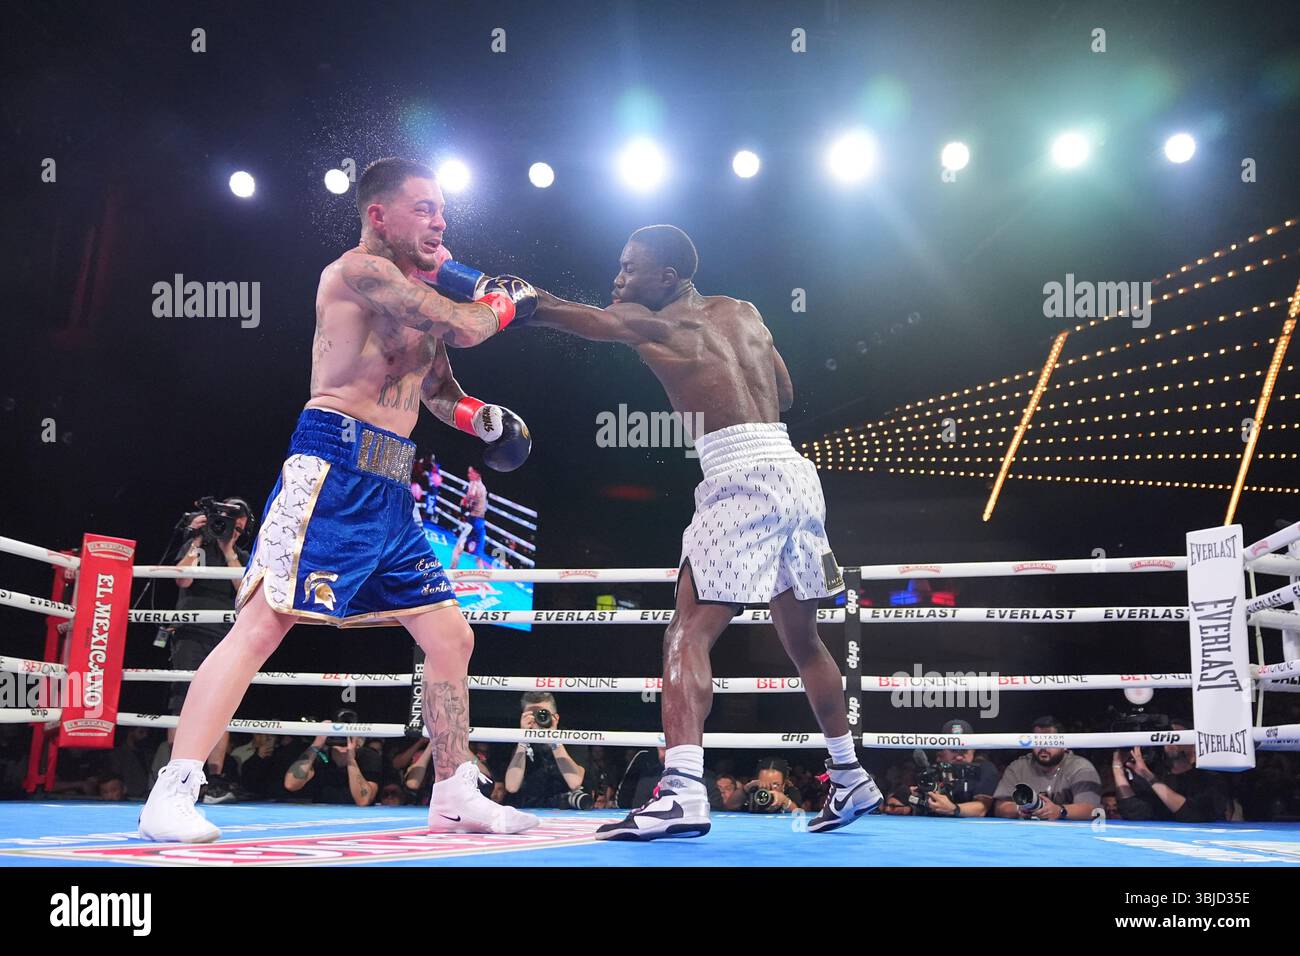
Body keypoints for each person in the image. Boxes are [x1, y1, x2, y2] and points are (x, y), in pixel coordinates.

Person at [138, 156, 538, 842]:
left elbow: (439, 387)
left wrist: (481, 419)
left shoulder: (415, 293)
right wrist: (502, 300)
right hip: (331, 468)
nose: (439, 220)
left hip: (391, 487)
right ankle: (172, 792)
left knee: (450, 634)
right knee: (263, 625)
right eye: (423, 208)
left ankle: (453, 789)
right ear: (378, 214)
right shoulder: (362, 272)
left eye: (443, 209)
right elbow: (466, 323)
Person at [501, 224, 882, 839]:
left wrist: (518, 299)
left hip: (738, 475)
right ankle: (850, 775)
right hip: (795, 473)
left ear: (668, 278)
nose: (619, 278)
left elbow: (576, 319)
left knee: (688, 632)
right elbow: (783, 391)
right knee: (802, 639)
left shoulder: (653, 321)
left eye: (630, 268)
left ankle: (680, 791)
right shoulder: (745, 312)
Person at [992, 716, 1102, 820]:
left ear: (1064, 745)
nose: (1043, 747)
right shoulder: (1018, 767)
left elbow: (1092, 809)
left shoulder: (1080, 767)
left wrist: (1060, 811)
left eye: (1049, 741)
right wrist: (1019, 808)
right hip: (1026, 834)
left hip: (1069, 834)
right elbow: (1000, 808)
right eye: (1038, 741)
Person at [449, 466, 489, 569]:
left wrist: (464, 501)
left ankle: (451, 571)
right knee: (479, 555)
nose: (468, 475)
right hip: (480, 522)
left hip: (473, 522)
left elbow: (469, 498)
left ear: (477, 474)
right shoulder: (483, 486)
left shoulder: (474, 485)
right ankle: (482, 579)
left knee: (458, 547)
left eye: (470, 473)